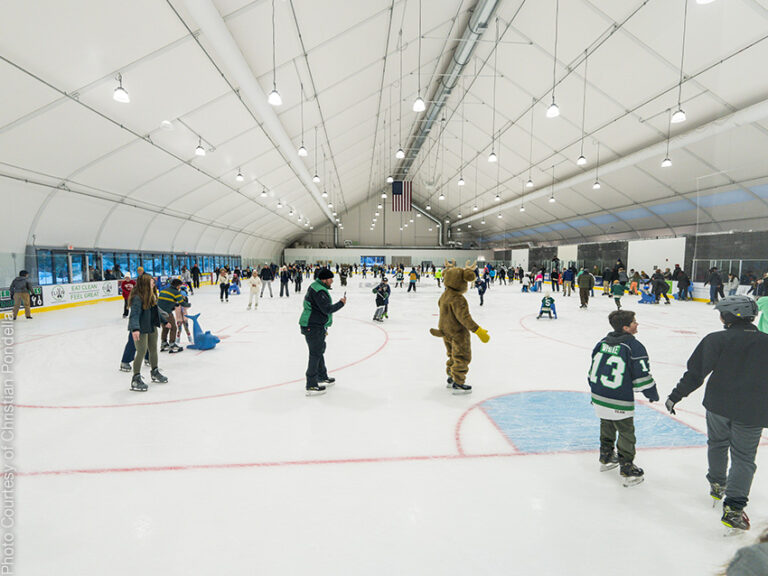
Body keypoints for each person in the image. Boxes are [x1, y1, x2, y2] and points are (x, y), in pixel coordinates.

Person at [665, 296, 768, 531]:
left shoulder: (716, 339)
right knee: (744, 457)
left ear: (728, 316)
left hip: (718, 405)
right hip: (753, 411)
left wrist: (675, 396)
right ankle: (733, 508)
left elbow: (695, 374)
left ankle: (717, 483)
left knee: (718, 443)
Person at [588, 310, 659, 486]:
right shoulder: (633, 346)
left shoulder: (602, 343)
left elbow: (593, 369)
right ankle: (627, 469)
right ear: (626, 328)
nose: (637, 324)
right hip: (618, 398)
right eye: (634, 322)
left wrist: (596, 391)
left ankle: (606, 457)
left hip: (599, 395)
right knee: (626, 432)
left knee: (606, 424)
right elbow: (641, 376)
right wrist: (652, 393)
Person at [298, 269, 346, 396]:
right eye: (330, 279)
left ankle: (321, 376)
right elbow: (327, 309)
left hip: (315, 325)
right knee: (315, 354)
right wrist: (341, 303)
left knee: (319, 351)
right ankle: (311, 384)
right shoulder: (319, 291)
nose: (332, 281)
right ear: (324, 279)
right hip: (312, 326)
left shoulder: (317, 287)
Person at [127, 274, 169, 391]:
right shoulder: (137, 298)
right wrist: (135, 329)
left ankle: (155, 372)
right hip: (141, 328)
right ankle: (135, 379)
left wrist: (164, 321)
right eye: (151, 281)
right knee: (141, 351)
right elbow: (134, 315)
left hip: (151, 326)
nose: (154, 283)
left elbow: (155, 311)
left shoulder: (151, 295)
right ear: (145, 283)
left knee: (153, 349)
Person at [158, 278, 185, 353]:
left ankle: (164, 343)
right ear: (177, 286)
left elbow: (165, 301)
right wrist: (187, 303)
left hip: (159, 312)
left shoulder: (164, 290)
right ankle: (172, 345)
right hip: (167, 312)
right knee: (173, 327)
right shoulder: (176, 292)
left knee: (165, 327)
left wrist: (174, 304)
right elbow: (182, 303)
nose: (180, 287)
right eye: (180, 286)